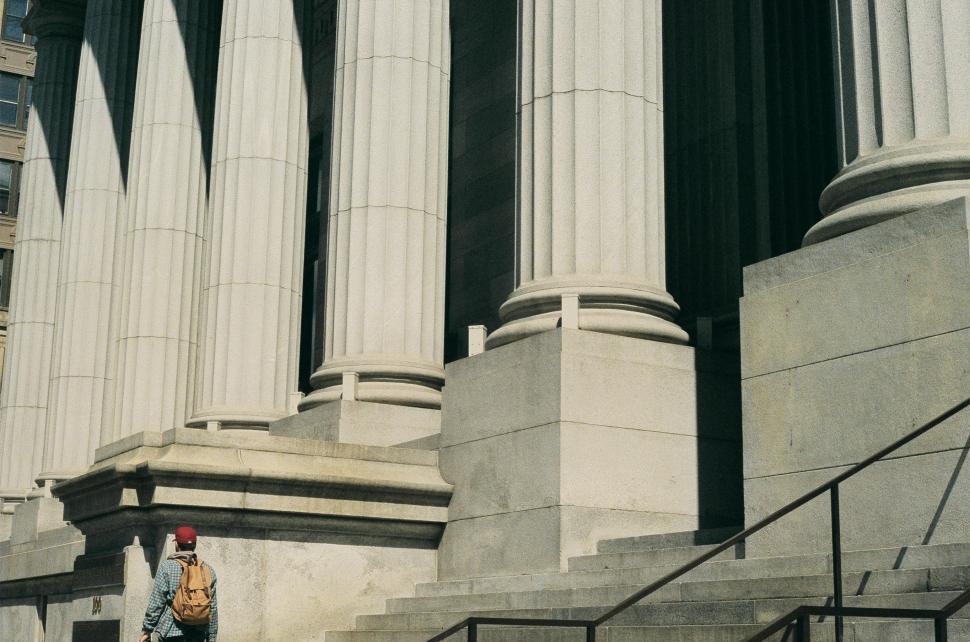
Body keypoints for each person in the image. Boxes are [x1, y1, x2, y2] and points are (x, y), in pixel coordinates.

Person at [139, 525, 218, 642]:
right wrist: (211, 637)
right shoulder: (208, 570)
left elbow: (157, 602)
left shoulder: (167, 567)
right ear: (194, 545)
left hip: (171, 632)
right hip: (198, 633)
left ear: (176, 544)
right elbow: (213, 608)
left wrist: (147, 629)